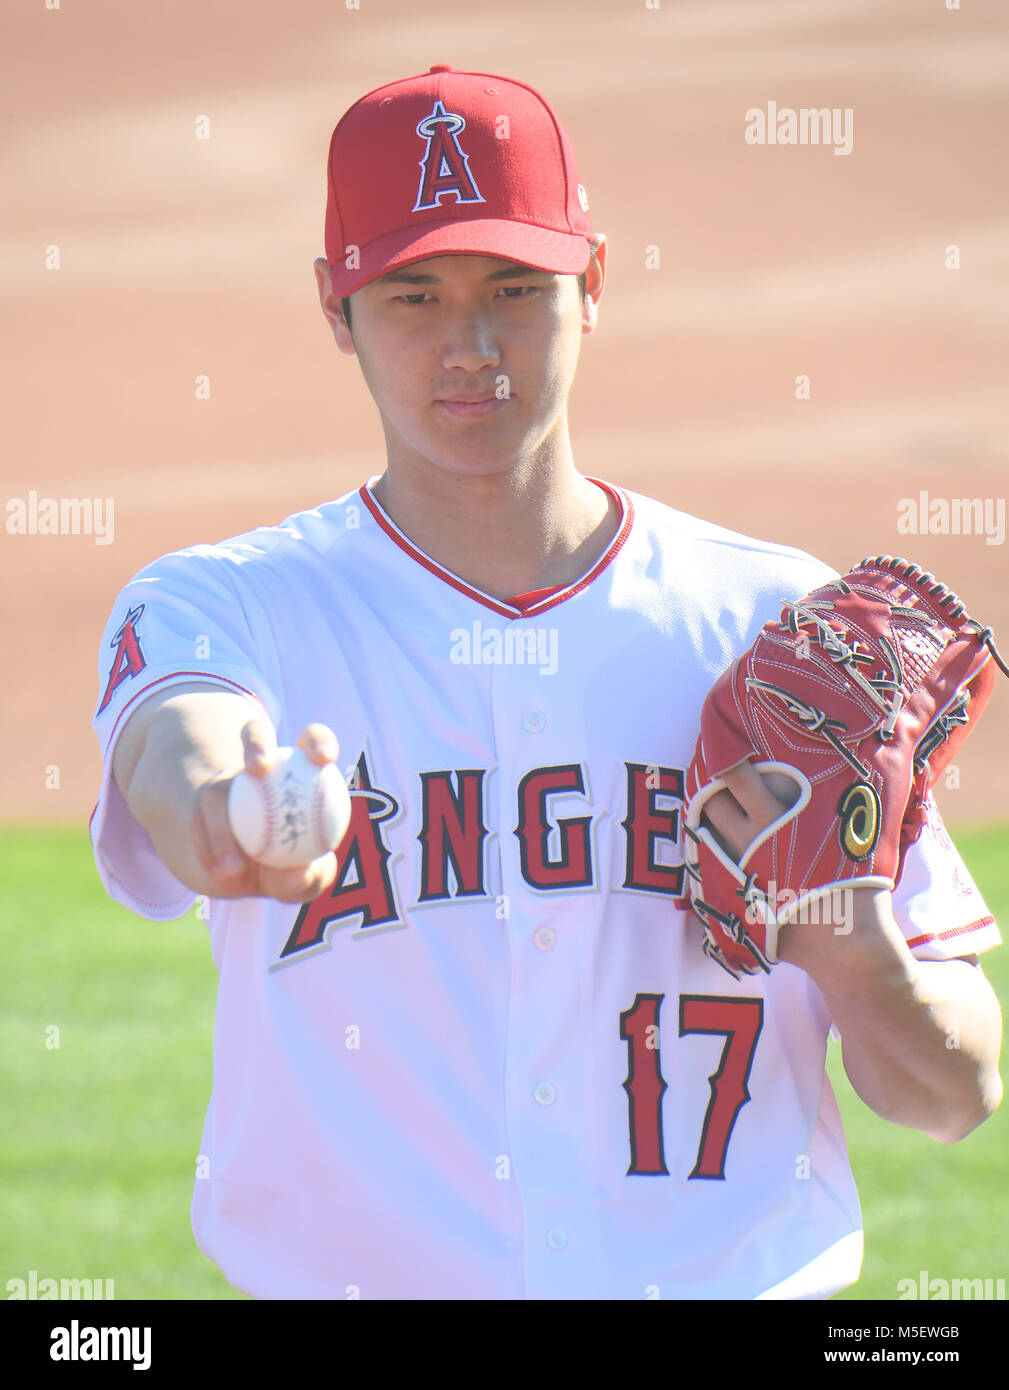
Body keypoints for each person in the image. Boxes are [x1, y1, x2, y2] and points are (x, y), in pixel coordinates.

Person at [90, 64, 1002, 1301]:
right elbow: (173, 746)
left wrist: (856, 956)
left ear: (593, 285)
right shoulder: (233, 606)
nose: (468, 345)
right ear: (335, 305)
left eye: (515, 289)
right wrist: (224, 806)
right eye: (412, 293)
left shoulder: (777, 629)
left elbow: (953, 1095)